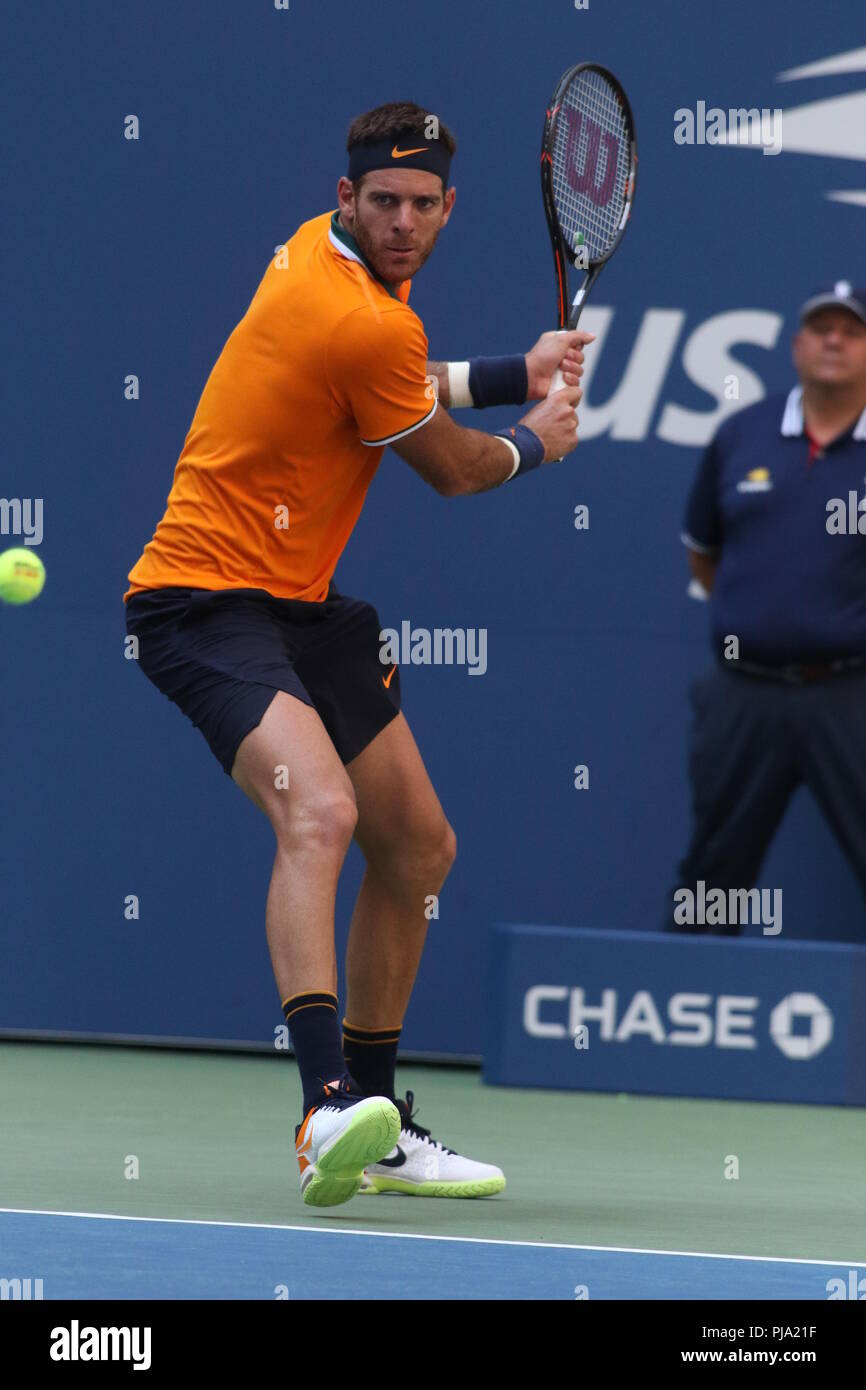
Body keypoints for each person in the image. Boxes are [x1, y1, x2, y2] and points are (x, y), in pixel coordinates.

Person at [124, 101, 590, 1205]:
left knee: (418, 848)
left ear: (446, 209)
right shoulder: (362, 317)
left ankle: (377, 1124)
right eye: (381, 202)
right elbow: (453, 469)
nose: (400, 223)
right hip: (199, 602)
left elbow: (382, 391)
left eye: (421, 206)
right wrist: (537, 441)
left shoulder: (334, 267)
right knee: (318, 811)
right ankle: (326, 1101)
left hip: (303, 605)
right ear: (347, 199)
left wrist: (513, 372)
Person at [669, 282, 866, 936]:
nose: (834, 340)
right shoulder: (741, 434)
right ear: (796, 346)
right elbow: (705, 555)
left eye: (852, 331)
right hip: (743, 694)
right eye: (821, 328)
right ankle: (688, 1019)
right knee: (713, 875)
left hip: (852, 694)